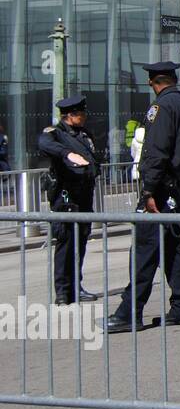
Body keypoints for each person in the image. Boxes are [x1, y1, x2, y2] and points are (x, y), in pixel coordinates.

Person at [107, 61, 180, 333]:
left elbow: (156, 152)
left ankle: (129, 313)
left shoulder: (161, 108)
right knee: (176, 249)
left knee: (143, 251)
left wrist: (148, 190)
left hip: (161, 190)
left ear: (154, 82)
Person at [38, 96, 101, 305]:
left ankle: (76, 286)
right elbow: (44, 144)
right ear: (69, 115)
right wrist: (67, 153)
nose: (84, 117)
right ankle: (63, 292)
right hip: (66, 198)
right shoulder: (55, 133)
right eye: (80, 114)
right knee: (65, 244)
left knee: (80, 242)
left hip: (84, 197)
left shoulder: (84, 134)